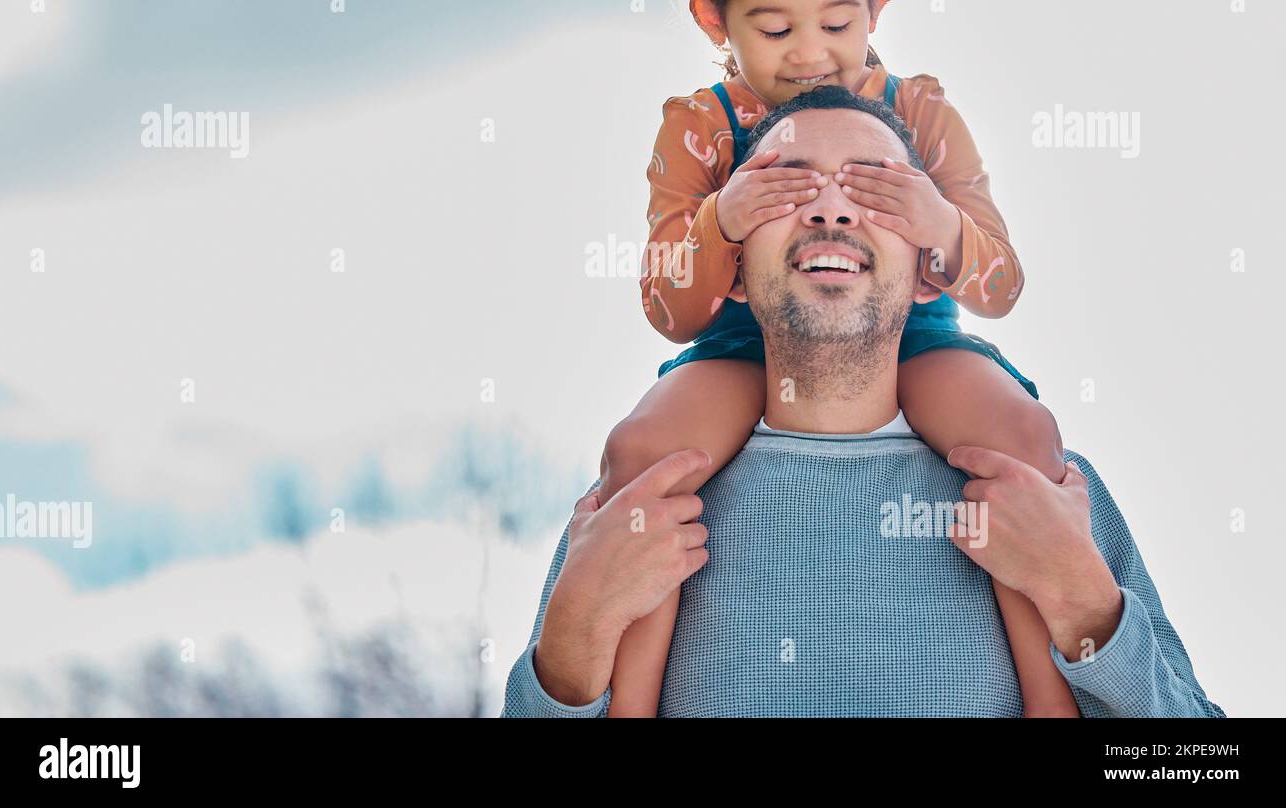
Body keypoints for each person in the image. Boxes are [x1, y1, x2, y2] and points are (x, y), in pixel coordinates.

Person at [500, 87, 1224, 717]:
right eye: (788, 186)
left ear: (928, 276)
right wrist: (570, 648)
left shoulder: (1043, 495)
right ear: (737, 275)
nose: (832, 212)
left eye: (875, 187)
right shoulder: (638, 506)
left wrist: (1086, 606)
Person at [603, 0, 1073, 716]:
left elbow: (1002, 283)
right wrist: (724, 220)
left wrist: (938, 223)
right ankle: (630, 702)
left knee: (1021, 434)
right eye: (775, 30)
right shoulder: (701, 128)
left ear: (880, 7)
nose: (812, 56)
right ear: (715, 19)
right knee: (642, 457)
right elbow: (667, 308)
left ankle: (1052, 699)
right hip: (742, 345)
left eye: (838, 23)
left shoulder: (921, 114)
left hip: (910, 334)